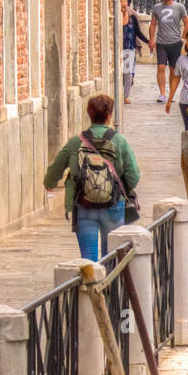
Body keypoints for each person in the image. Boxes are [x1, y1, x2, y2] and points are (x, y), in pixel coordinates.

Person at [44, 95, 139, 262]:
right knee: (111, 258)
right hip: (113, 206)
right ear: (109, 115)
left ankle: (92, 287)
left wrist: (49, 184)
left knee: (89, 259)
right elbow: (133, 178)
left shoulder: (76, 142)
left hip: (84, 207)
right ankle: (110, 288)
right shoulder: (120, 141)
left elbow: (55, 170)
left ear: (89, 113)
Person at [148, 0, 188, 103]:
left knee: (173, 69)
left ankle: (172, 92)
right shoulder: (156, 8)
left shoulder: (179, 7)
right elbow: (152, 24)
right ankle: (162, 93)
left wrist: (183, 37)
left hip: (175, 42)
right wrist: (151, 39)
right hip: (161, 42)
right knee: (161, 67)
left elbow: (187, 22)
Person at [120, 0, 149, 104]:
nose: (123, 9)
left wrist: (148, 42)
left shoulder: (132, 18)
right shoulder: (115, 16)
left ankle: (126, 96)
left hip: (128, 48)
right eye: (121, 7)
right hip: (116, 50)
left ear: (127, 5)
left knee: (127, 73)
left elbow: (138, 33)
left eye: (124, 7)